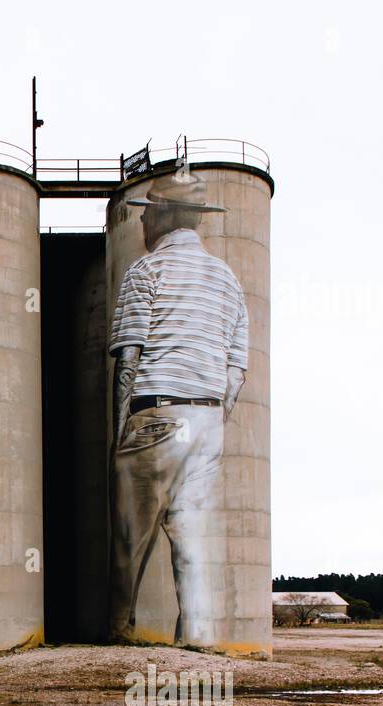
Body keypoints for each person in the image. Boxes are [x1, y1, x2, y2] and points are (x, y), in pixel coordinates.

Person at [109, 171, 248, 649]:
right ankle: (195, 637)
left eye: (149, 210)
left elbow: (129, 357)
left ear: (166, 215)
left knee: (131, 531)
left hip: (157, 411)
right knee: (189, 533)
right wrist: (212, 419)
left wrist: (119, 431)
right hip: (209, 419)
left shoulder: (147, 271)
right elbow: (236, 370)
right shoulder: (228, 280)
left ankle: (120, 630)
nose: (144, 218)